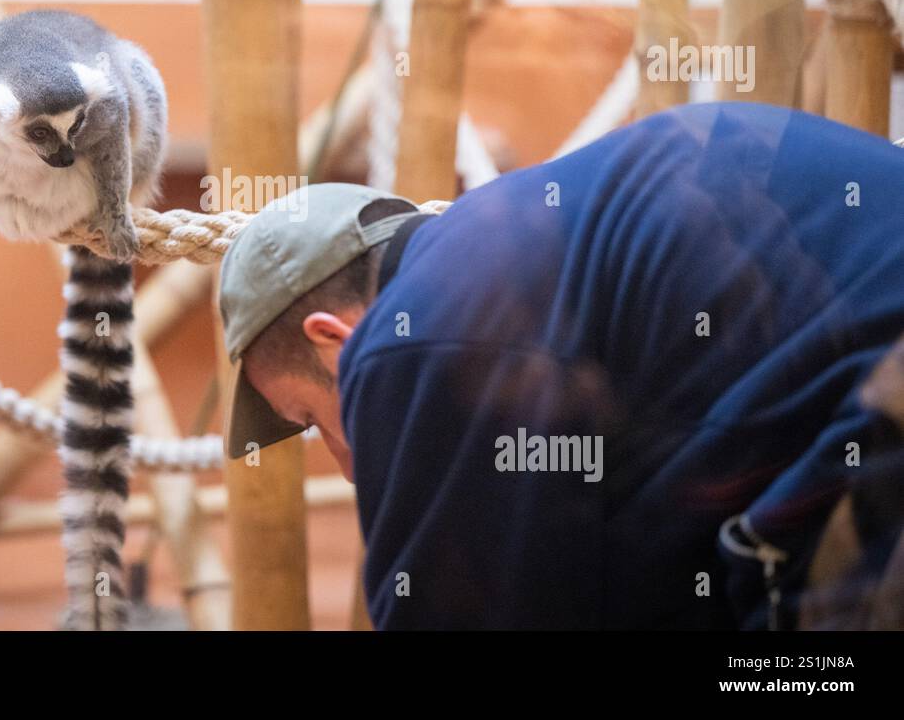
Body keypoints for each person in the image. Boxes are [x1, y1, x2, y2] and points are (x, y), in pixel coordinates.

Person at [217, 102, 904, 630]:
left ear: (334, 338)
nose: (342, 465)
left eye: (312, 420)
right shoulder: (527, 253)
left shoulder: (410, 340)